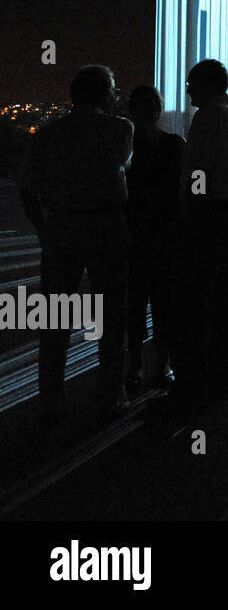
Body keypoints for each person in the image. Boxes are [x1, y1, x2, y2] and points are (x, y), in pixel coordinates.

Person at [18, 65, 134, 422]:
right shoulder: (121, 129)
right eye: (113, 88)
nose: (116, 94)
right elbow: (121, 166)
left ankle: (51, 397)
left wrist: (43, 227)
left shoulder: (50, 133)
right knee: (111, 314)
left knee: (55, 316)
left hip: (61, 226)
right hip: (105, 225)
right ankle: (109, 395)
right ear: (104, 93)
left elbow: (28, 187)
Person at [173, 59, 228, 408]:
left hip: (208, 215)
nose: (187, 88)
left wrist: (187, 211)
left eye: (191, 82)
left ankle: (192, 380)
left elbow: (198, 173)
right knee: (222, 294)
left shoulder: (207, 116)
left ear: (205, 84)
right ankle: (222, 370)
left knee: (195, 297)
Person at [124, 86, 186, 388]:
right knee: (166, 302)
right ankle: (161, 367)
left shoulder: (124, 146)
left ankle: (133, 366)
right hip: (166, 234)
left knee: (133, 303)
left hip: (132, 235)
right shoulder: (175, 145)